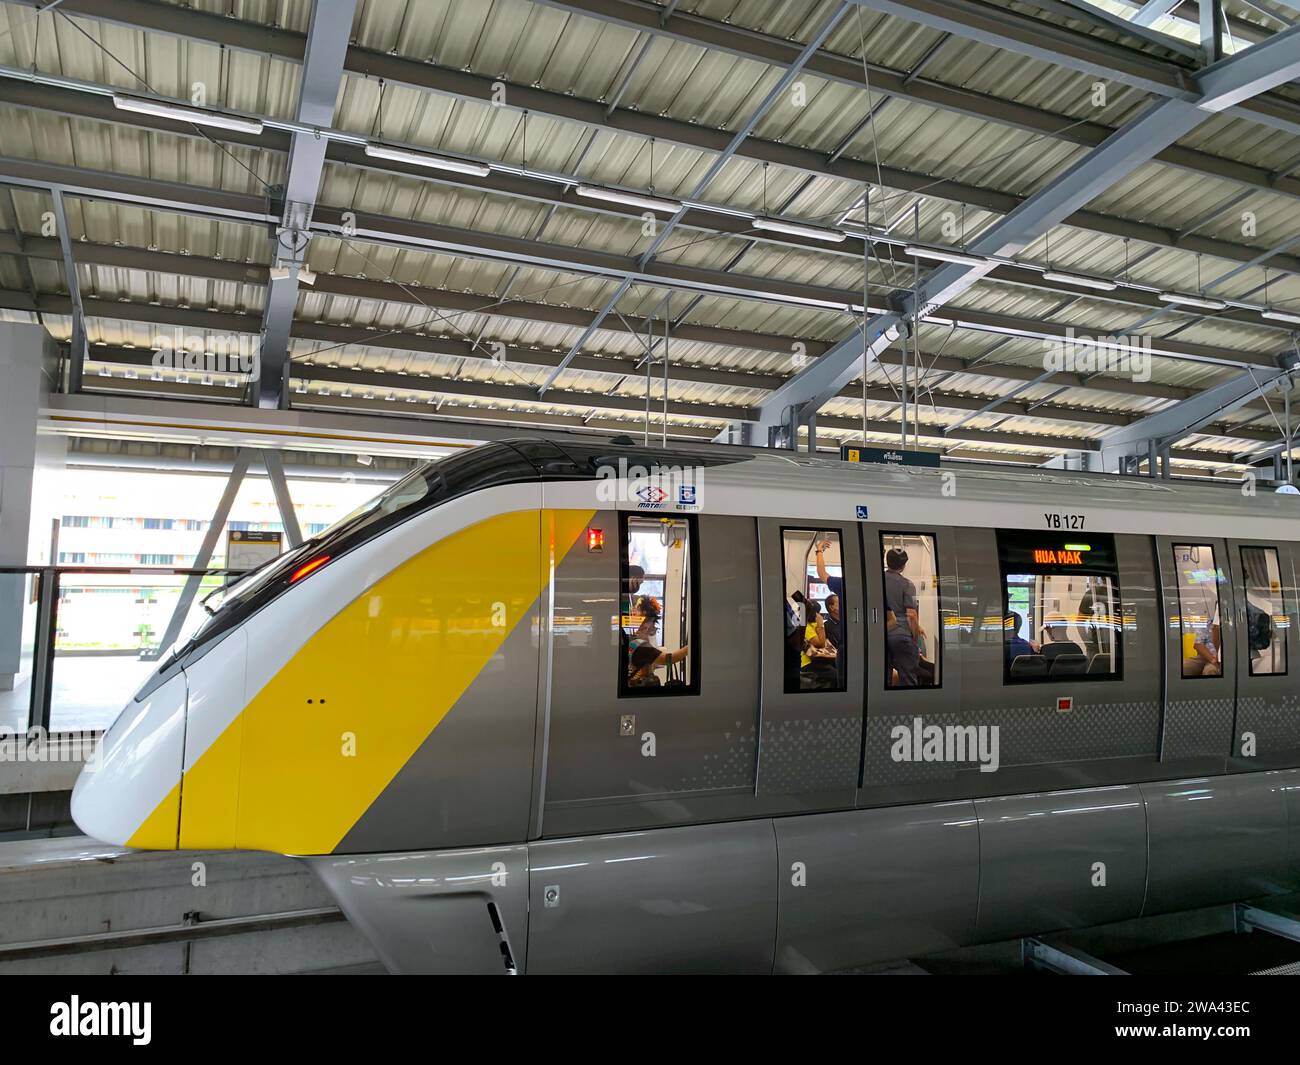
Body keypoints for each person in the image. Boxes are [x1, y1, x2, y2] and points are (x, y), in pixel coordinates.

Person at [883, 547, 920, 687]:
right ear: (904, 565)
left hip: (881, 635)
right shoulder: (907, 584)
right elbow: (911, 615)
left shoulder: (877, 581)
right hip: (901, 635)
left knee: (883, 679)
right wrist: (915, 637)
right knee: (907, 678)